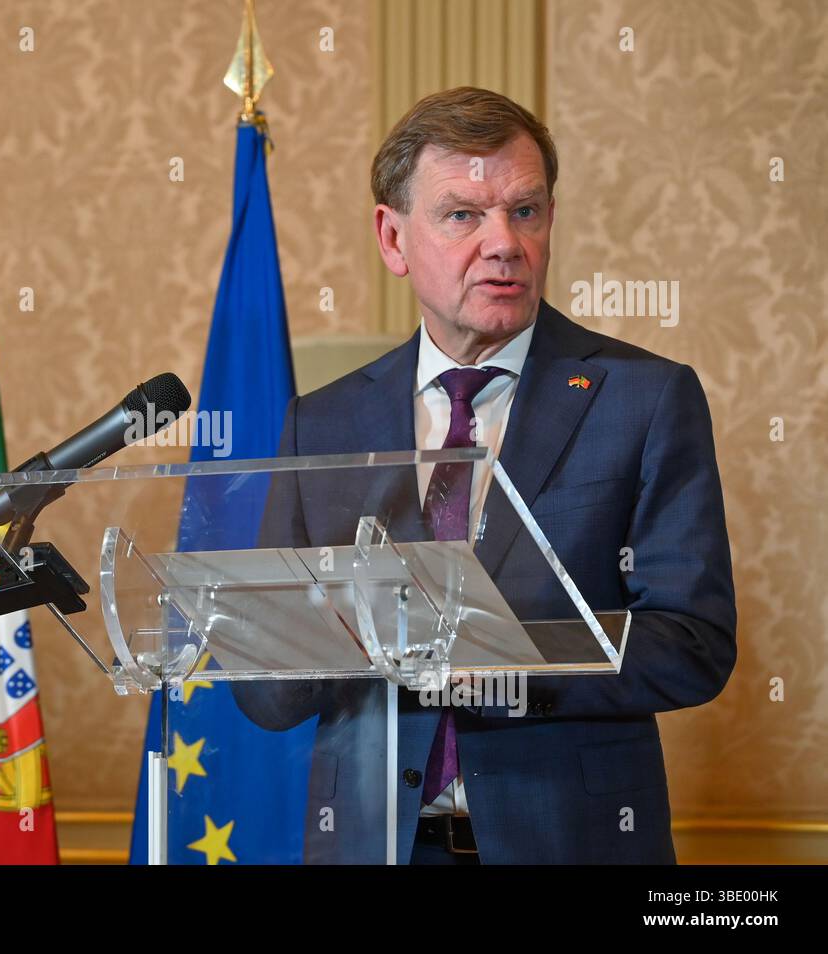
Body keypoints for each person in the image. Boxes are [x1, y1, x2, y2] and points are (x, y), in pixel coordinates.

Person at [233, 86, 737, 864]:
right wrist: (311, 636)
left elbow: (692, 642)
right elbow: (266, 692)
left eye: (525, 212)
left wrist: (497, 662)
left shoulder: (644, 398)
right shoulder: (322, 423)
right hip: (374, 846)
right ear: (393, 238)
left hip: (572, 844)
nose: (503, 242)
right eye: (463, 214)